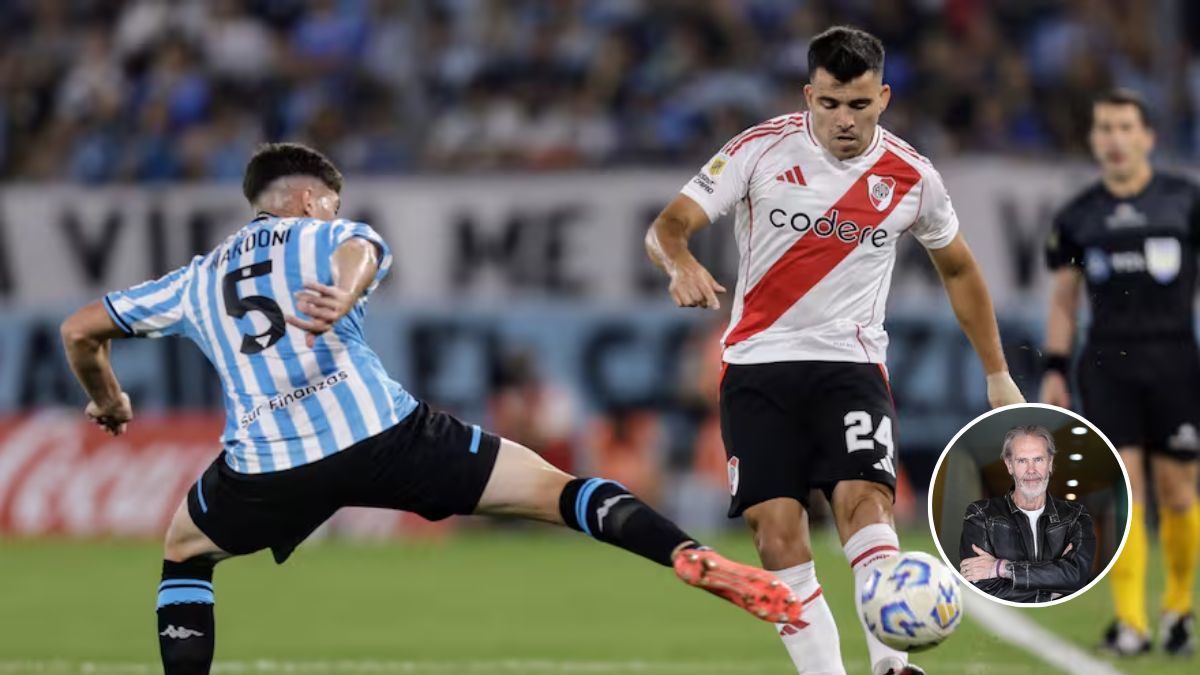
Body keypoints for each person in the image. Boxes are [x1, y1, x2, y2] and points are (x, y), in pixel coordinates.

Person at [59, 142, 800, 675]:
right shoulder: (322, 233)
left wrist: (110, 398)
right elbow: (365, 252)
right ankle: (683, 552)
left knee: (186, 550)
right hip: (386, 435)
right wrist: (344, 295)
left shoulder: (196, 277)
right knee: (559, 491)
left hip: (268, 463)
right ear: (312, 200)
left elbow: (80, 327)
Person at [644, 25, 1024, 675]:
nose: (843, 120)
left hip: (850, 365)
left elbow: (959, 270)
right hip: (757, 367)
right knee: (775, 533)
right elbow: (668, 226)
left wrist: (998, 373)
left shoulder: (913, 177)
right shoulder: (758, 150)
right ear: (807, 96)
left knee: (865, 503)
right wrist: (677, 263)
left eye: (857, 104)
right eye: (828, 104)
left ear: (884, 97)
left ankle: (892, 664)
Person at [1041, 89, 1200, 655]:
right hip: (1107, 361)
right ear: (1092, 140)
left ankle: (1179, 611)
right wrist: (1055, 367)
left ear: (1148, 137)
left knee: (1178, 491)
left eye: (1125, 127)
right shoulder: (1078, 217)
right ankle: (1130, 622)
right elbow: (1064, 300)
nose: (1114, 138)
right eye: (1104, 128)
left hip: (1176, 359)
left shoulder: (1185, 202)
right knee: (1124, 490)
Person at [958, 425, 1096, 603]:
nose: (1031, 470)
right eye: (1022, 461)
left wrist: (1002, 568)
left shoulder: (1076, 516)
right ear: (1009, 465)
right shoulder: (981, 515)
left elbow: (1077, 575)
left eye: (1038, 459)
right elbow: (980, 586)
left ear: (1050, 463)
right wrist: (1053, 587)